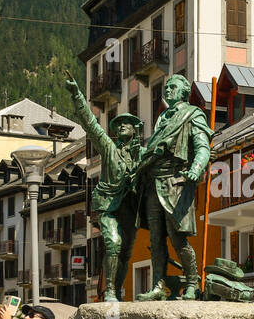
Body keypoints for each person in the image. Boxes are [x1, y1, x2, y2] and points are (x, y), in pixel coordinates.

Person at [133, 74, 212, 301]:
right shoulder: (162, 118)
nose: (167, 90)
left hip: (176, 183)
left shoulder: (193, 114)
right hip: (153, 184)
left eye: (173, 87)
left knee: (178, 239)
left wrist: (196, 169)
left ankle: (192, 283)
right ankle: (158, 285)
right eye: (166, 87)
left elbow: (202, 147)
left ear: (184, 92)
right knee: (156, 239)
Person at [65, 77, 144, 301]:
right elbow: (90, 123)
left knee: (126, 252)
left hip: (130, 207)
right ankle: (109, 291)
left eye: (126, 124)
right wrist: (77, 95)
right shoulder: (109, 148)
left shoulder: (143, 153)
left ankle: (116, 292)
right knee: (114, 244)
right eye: (118, 125)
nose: (120, 127)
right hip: (109, 205)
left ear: (135, 129)